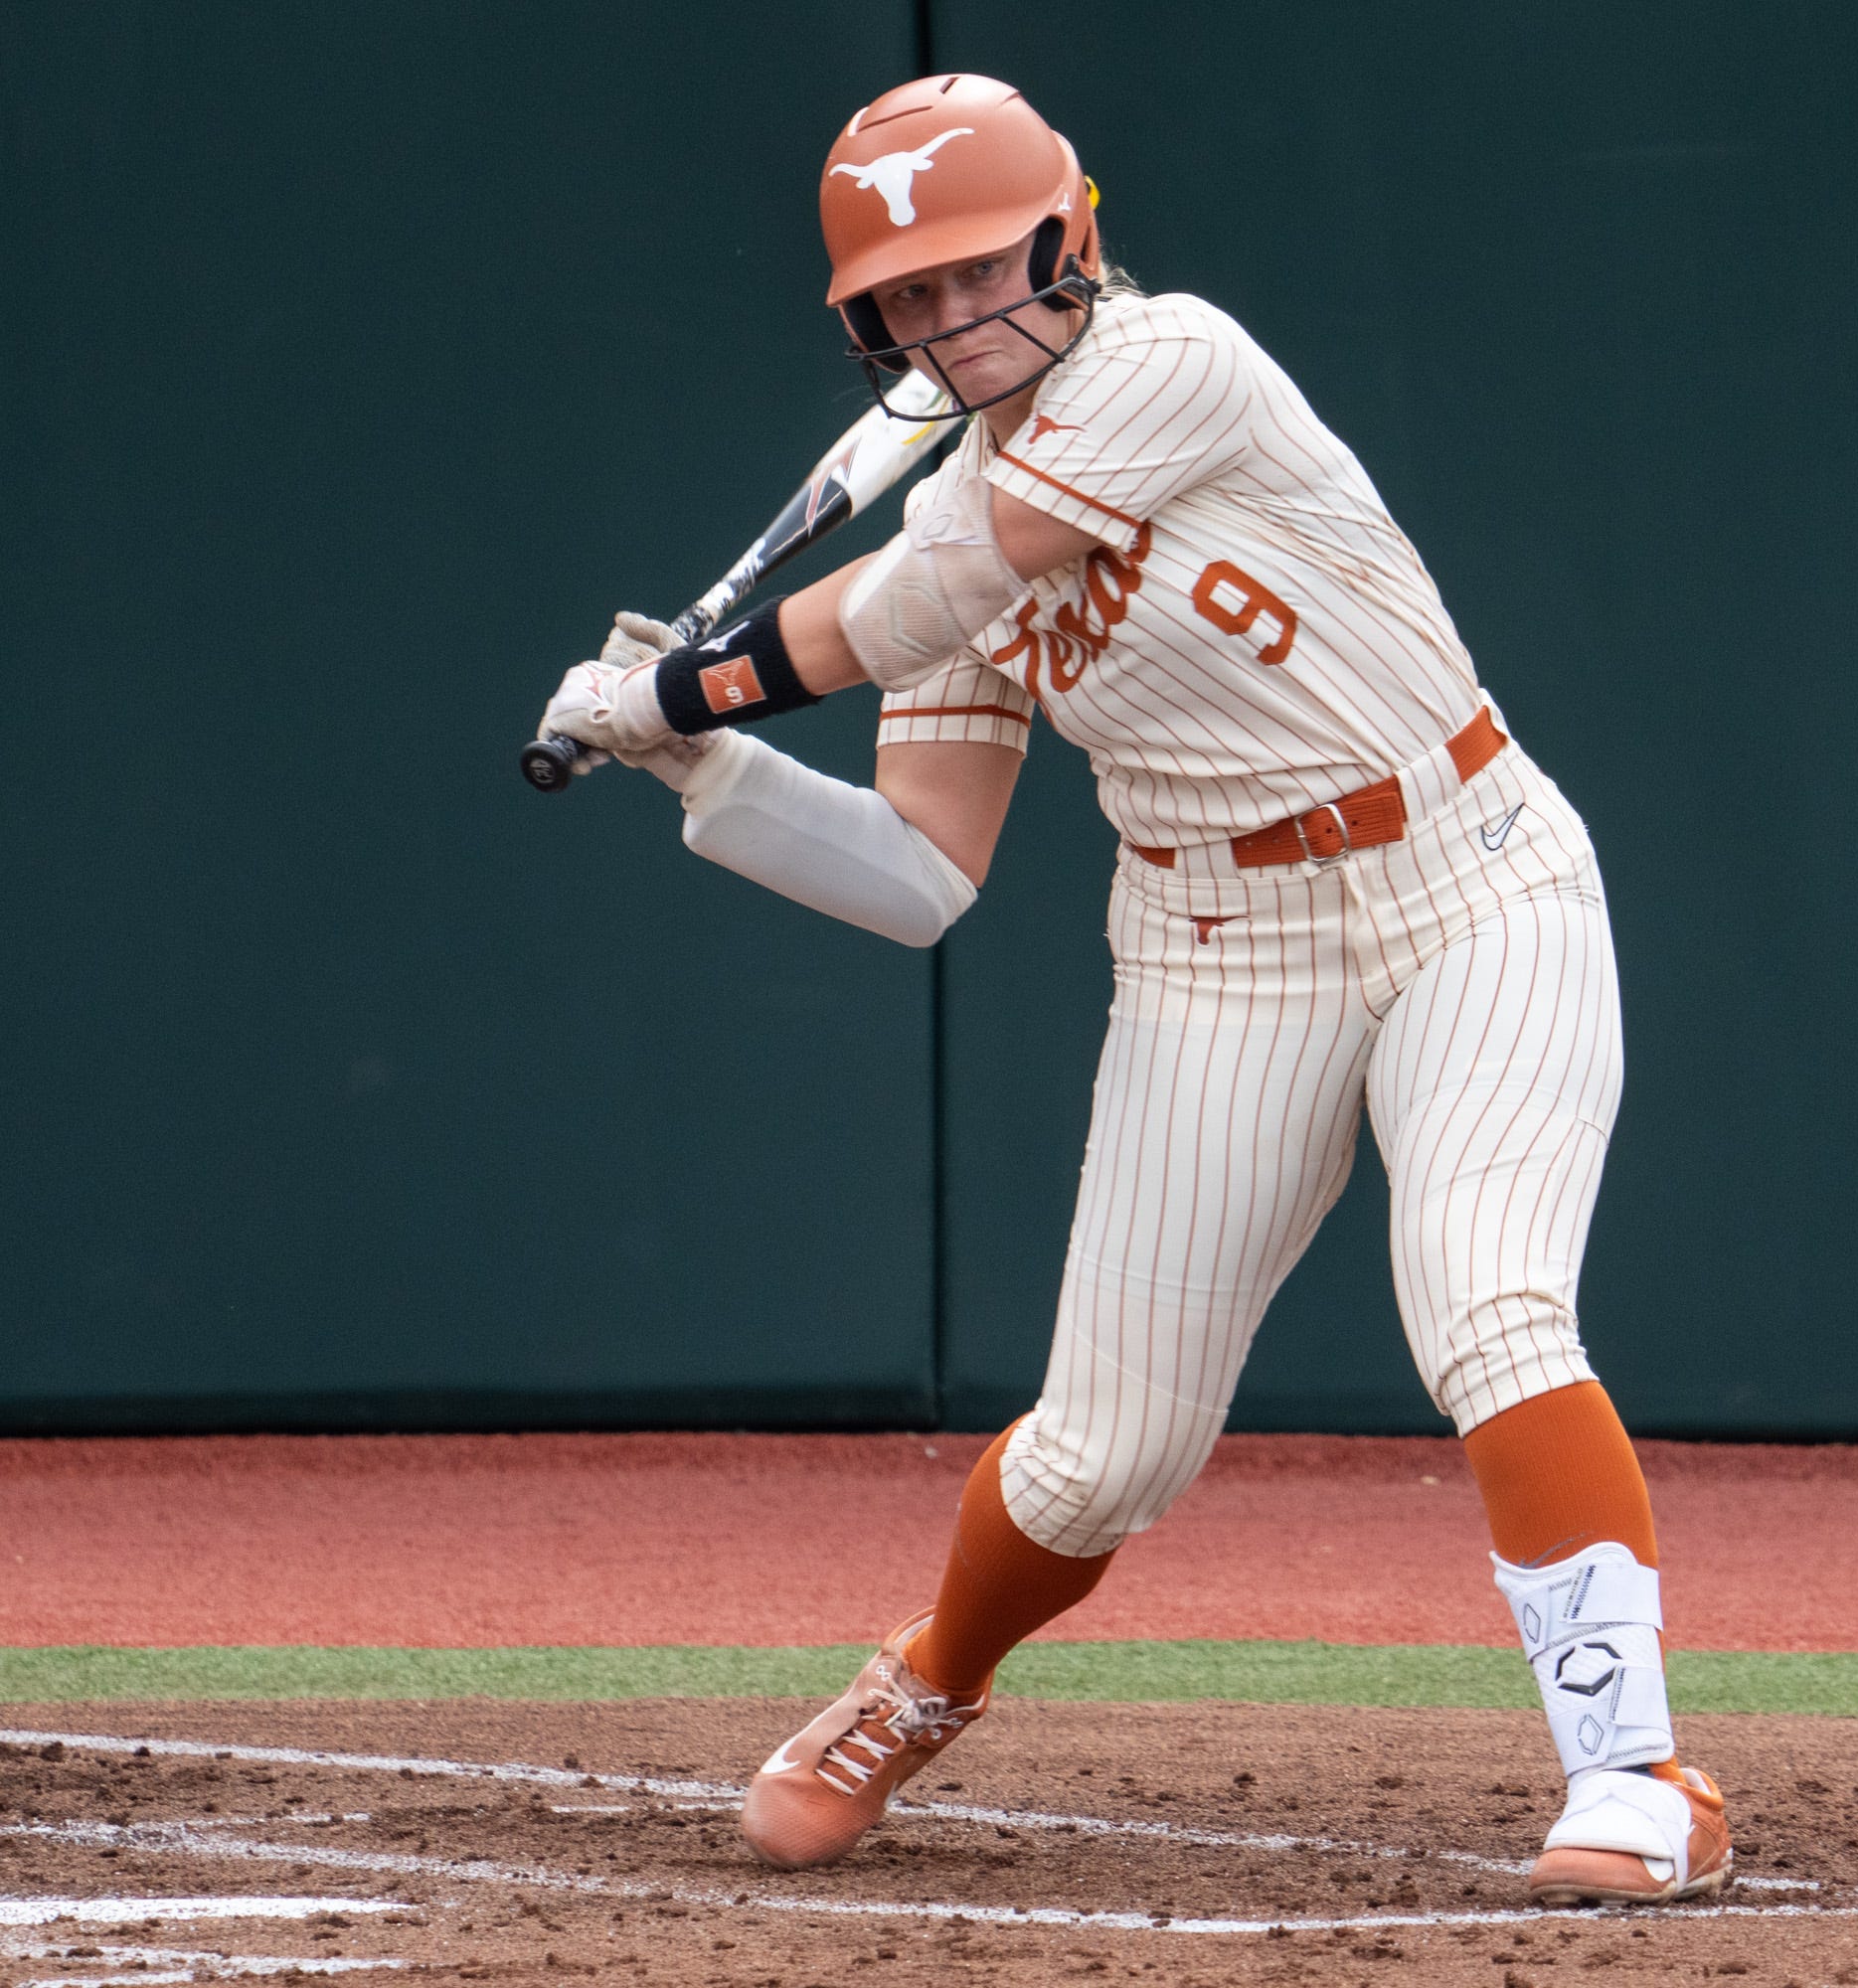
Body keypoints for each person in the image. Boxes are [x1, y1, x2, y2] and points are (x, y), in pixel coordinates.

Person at [534, 73, 1729, 1907]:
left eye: (976, 275)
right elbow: (920, 876)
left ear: (1066, 242)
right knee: (1099, 1460)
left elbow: (928, 594)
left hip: (1468, 879)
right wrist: (706, 773)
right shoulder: (950, 512)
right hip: (1213, 949)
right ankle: (928, 1676)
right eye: (909, 302)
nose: (952, 322)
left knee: (1487, 1310)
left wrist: (684, 690)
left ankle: (1634, 1773)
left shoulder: (1176, 365)